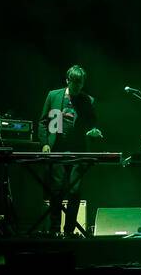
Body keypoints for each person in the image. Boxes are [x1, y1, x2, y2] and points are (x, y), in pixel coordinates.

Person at [36, 65, 104, 236]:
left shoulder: (87, 100)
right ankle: (54, 230)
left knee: (74, 191)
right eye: (74, 84)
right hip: (57, 150)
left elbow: (92, 124)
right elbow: (44, 122)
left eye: (80, 84)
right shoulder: (54, 96)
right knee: (56, 190)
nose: (77, 87)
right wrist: (45, 143)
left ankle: (69, 231)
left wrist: (94, 132)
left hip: (78, 152)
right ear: (68, 81)